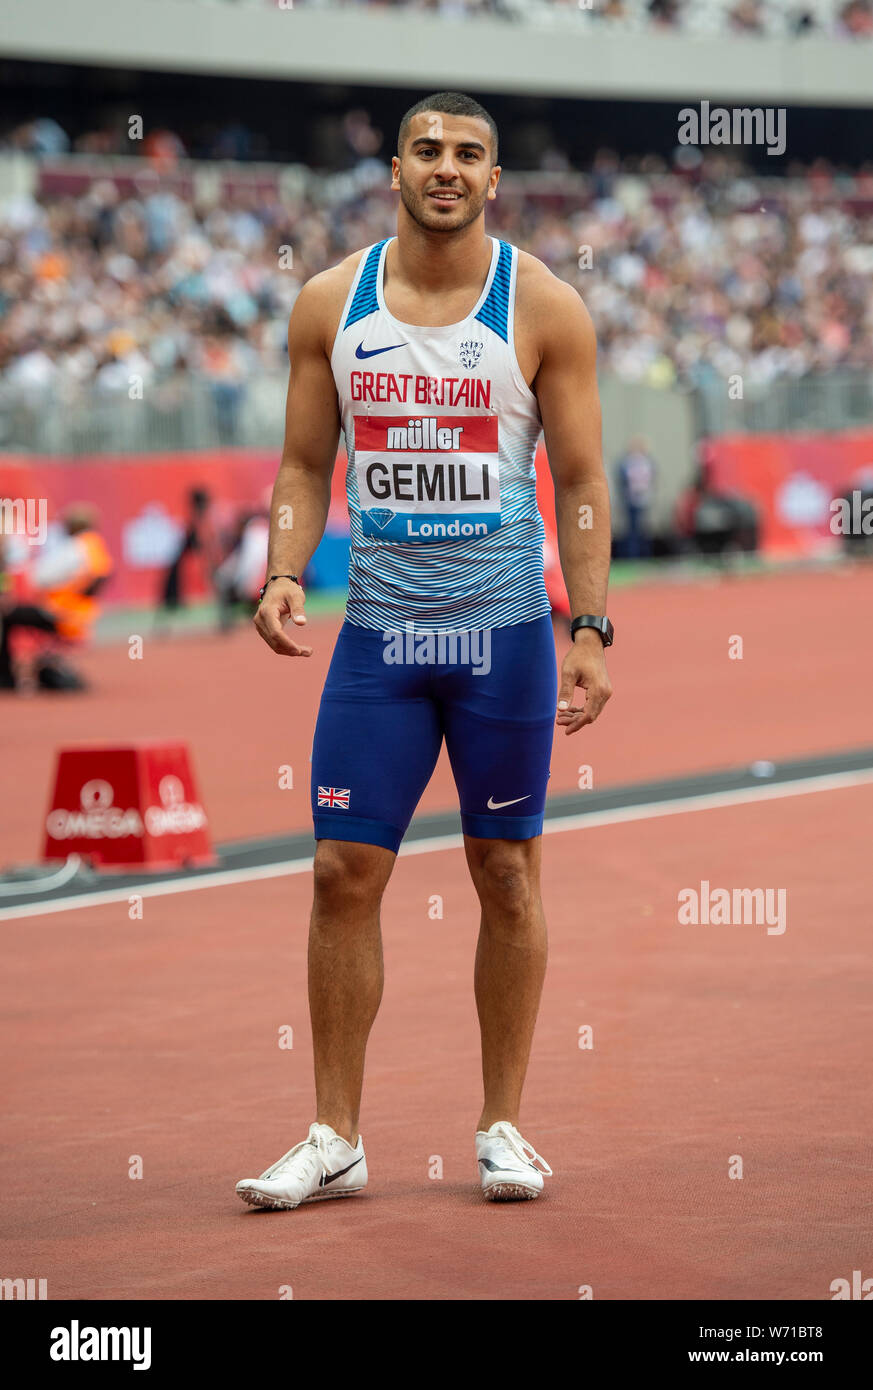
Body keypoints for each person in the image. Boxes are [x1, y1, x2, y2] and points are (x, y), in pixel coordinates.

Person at [237, 91, 614, 1211]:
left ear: (495, 178)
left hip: (501, 634)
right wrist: (284, 568)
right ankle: (334, 1135)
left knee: (504, 872)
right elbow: (306, 465)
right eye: (427, 150)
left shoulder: (543, 307)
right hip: (381, 639)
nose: (446, 167)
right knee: (339, 872)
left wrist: (588, 625)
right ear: (392, 167)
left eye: (469, 154)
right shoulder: (329, 303)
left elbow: (585, 483)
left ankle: (502, 1124)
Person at [0, 504, 112, 691]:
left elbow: (40, 578)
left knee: (8, 616)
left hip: (61, 613)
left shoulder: (76, 549)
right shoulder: (94, 546)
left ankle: (5, 676)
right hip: (77, 615)